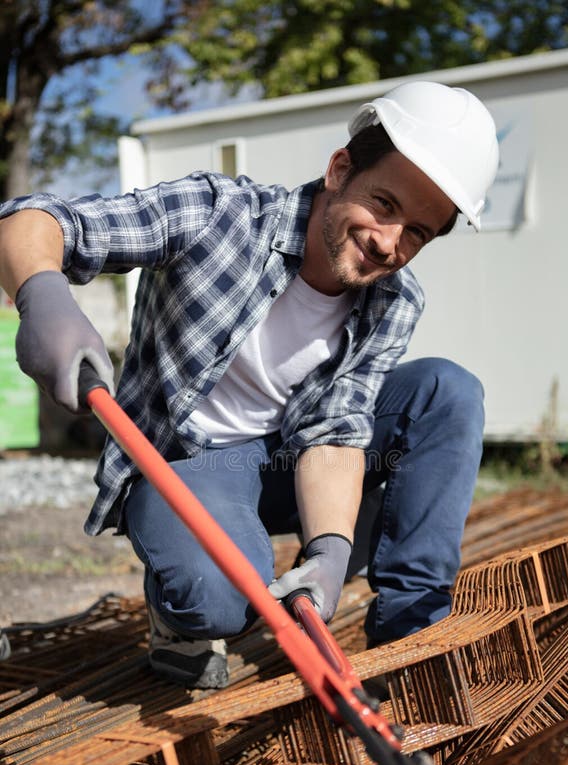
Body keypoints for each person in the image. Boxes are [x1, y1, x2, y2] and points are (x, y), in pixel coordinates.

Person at [0, 81, 499, 690]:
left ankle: (410, 632)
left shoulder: (394, 299)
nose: (389, 243)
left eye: (417, 232)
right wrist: (43, 293)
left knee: (446, 392)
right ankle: (181, 605)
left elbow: (337, 428)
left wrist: (329, 550)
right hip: (191, 466)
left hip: (290, 460)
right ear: (340, 169)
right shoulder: (219, 215)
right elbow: (38, 219)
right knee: (218, 604)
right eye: (385, 204)